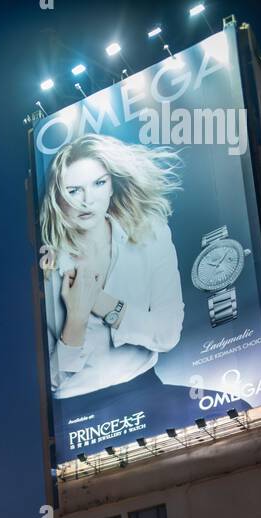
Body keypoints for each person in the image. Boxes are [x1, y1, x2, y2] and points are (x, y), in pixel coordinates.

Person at [38, 133, 184, 403]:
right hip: (74, 409)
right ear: (58, 199)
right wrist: (77, 319)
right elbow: (50, 380)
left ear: (111, 186)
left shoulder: (150, 235)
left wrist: (100, 301)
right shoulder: (44, 268)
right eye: (73, 190)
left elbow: (168, 333)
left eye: (98, 183)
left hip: (145, 386)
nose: (87, 200)